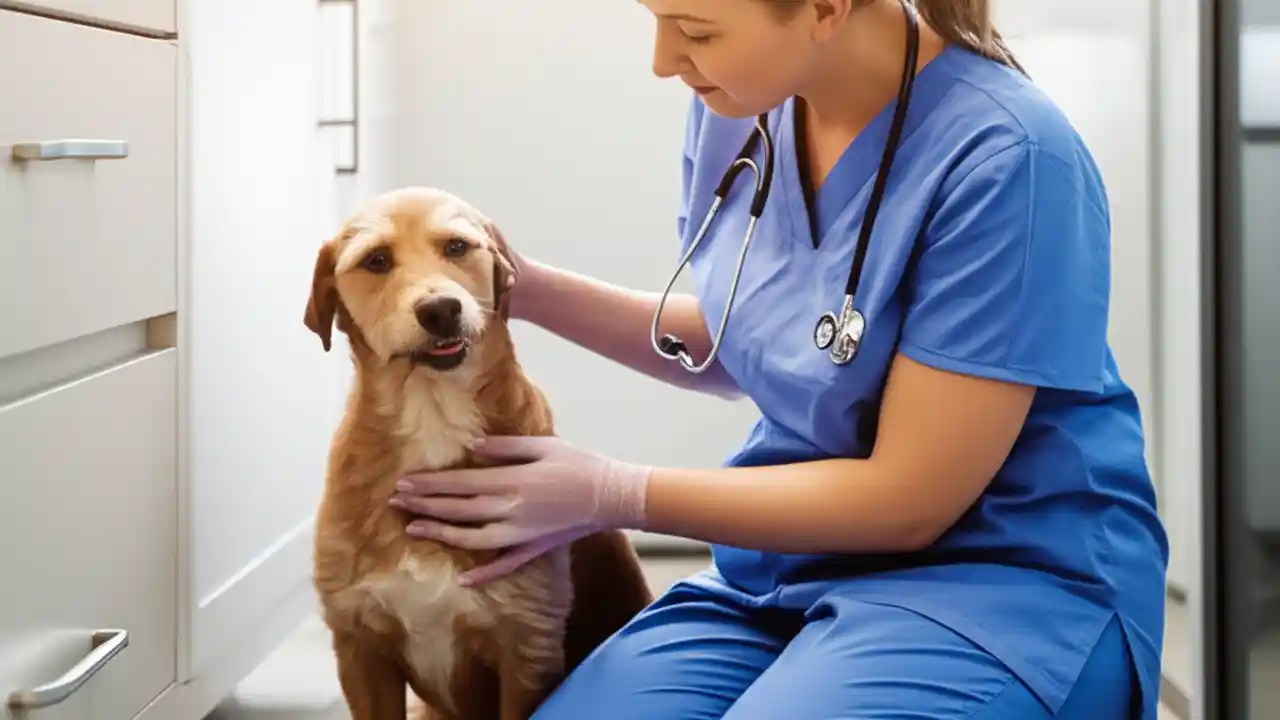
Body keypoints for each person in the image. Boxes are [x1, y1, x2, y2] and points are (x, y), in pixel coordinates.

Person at [390, 1, 1168, 718]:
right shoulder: (739, 110)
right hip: (789, 572)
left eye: (696, 31)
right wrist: (524, 289)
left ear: (826, 9)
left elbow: (911, 499)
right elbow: (771, 336)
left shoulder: (1009, 158)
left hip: (1001, 584)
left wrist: (612, 492)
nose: (664, 60)